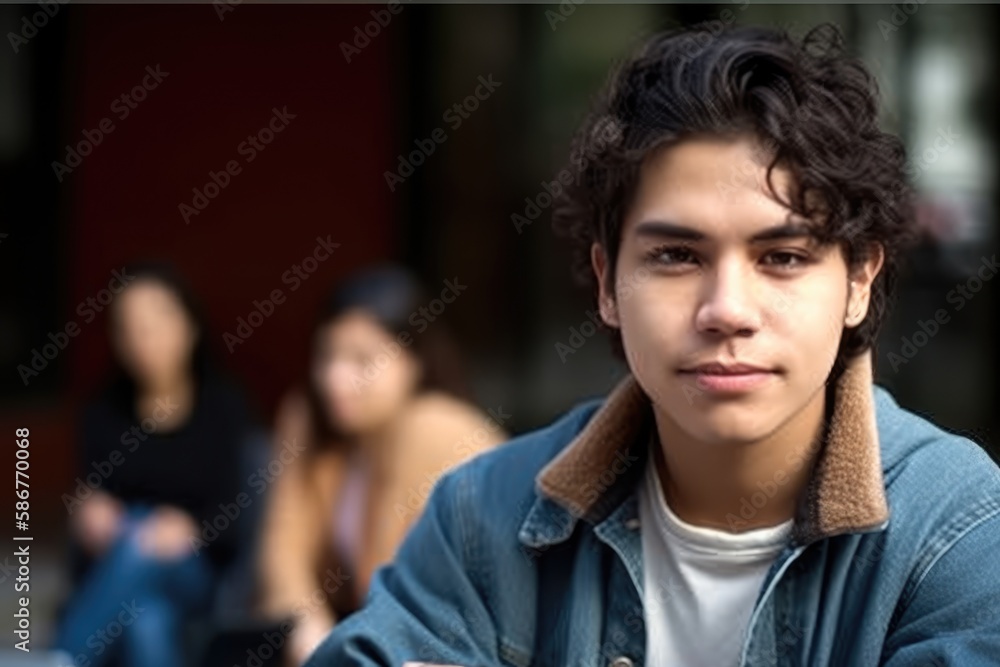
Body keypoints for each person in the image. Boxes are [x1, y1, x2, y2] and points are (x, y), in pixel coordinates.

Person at [305, 23, 1000, 667]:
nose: (727, 310)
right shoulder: (482, 514)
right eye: (676, 255)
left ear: (857, 280)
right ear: (607, 282)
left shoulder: (959, 528)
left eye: (783, 256)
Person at [256, 264, 505, 665]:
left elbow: (440, 595)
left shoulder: (437, 429)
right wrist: (308, 629)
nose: (335, 378)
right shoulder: (307, 418)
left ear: (413, 361)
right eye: (327, 355)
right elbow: (283, 550)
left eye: (362, 360)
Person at [54, 262, 256, 667]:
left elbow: (235, 515)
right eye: (128, 328)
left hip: (196, 568)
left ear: (190, 326)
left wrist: (190, 529)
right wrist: (91, 515)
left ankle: (64, 656)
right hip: (121, 568)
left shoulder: (223, 409)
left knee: (141, 541)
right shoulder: (102, 410)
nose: (142, 341)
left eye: (155, 324)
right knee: (146, 619)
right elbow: (90, 497)